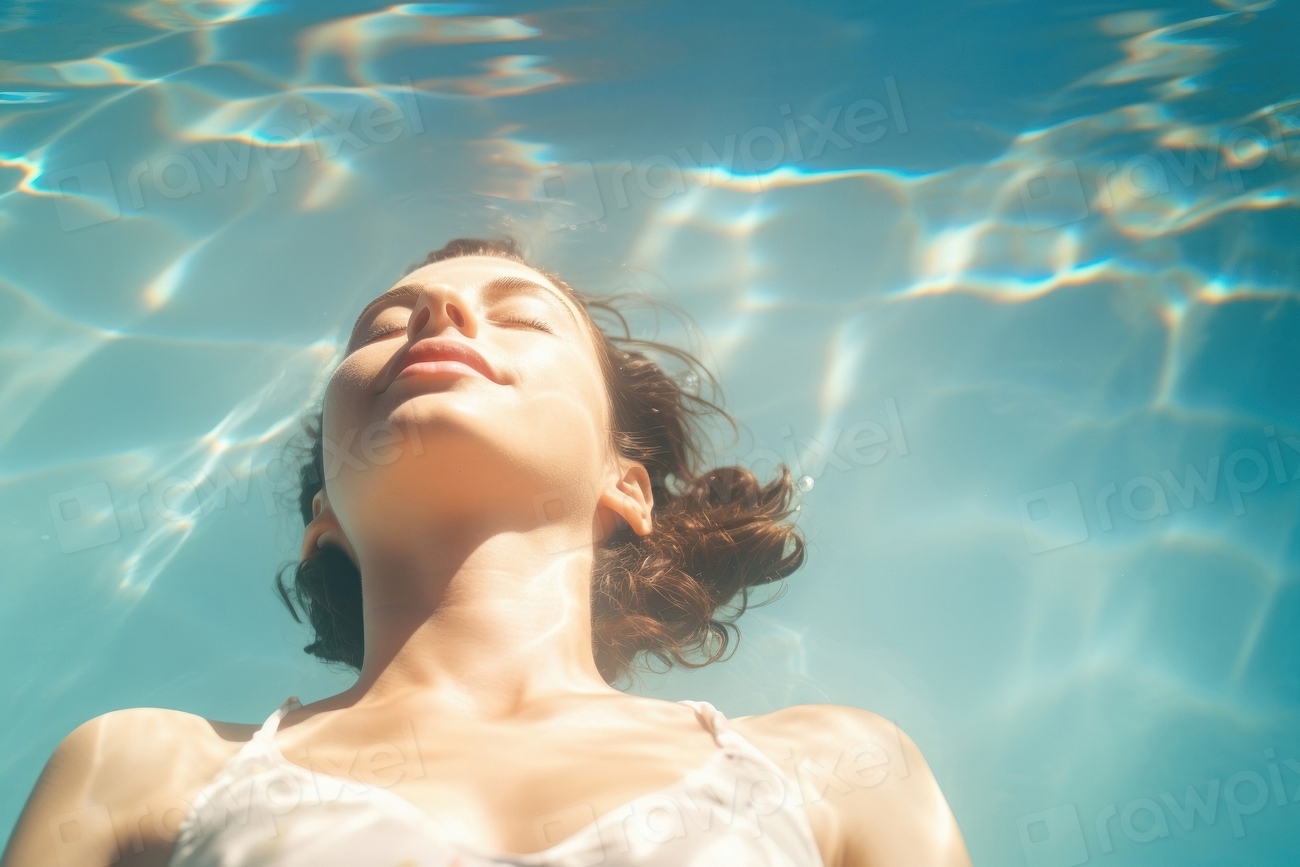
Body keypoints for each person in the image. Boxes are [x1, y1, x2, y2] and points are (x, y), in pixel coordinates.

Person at [2, 238, 973, 867]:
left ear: (625, 484)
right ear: (320, 521)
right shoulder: (133, 768)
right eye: (384, 324)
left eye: (516, 314)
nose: (435, 318)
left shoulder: (839, 763)